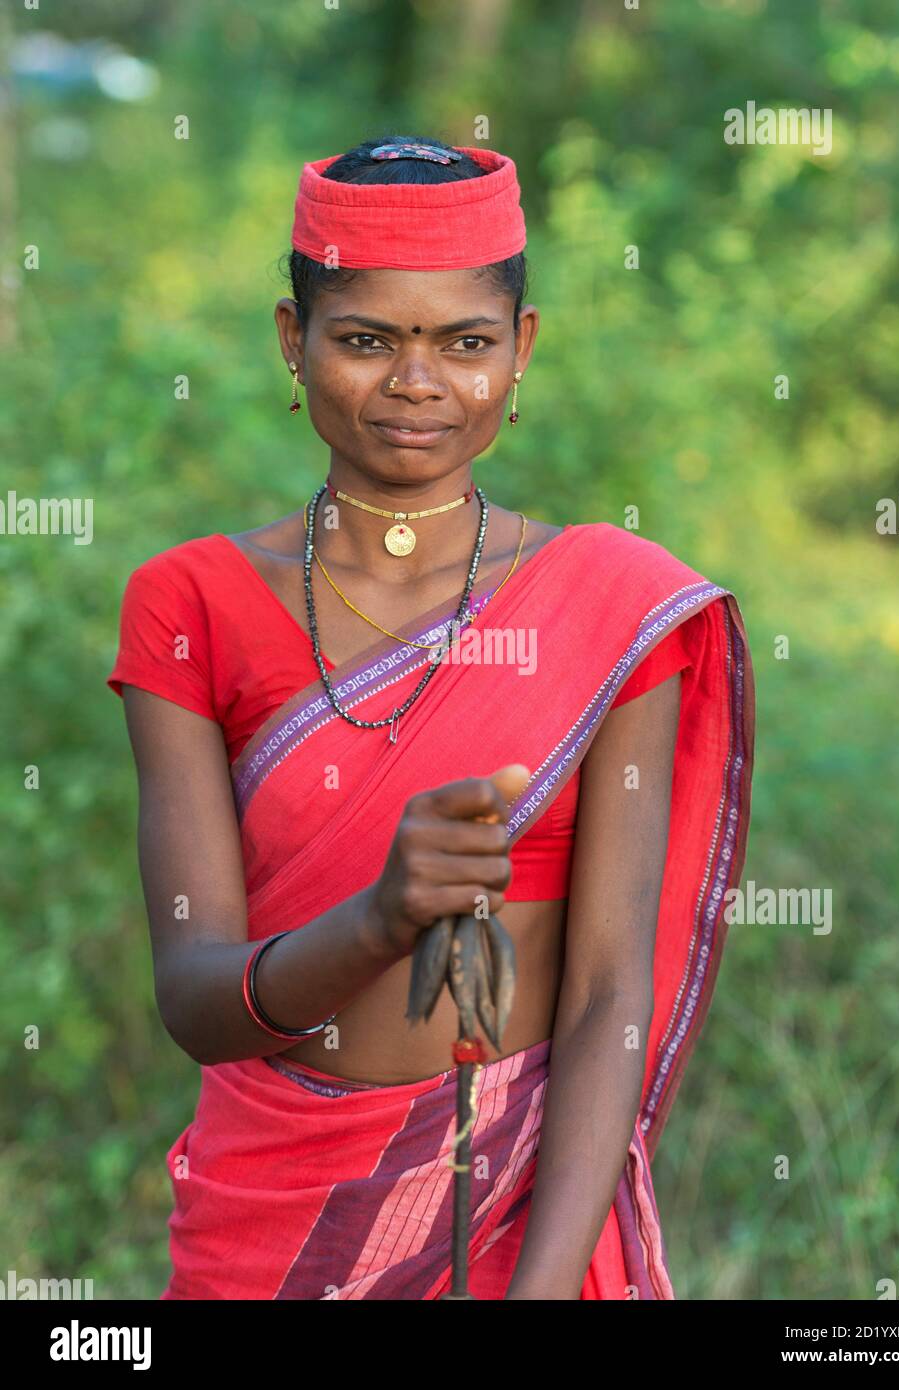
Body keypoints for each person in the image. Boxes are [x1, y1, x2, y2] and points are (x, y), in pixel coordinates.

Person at [106, 134, 755, 1300]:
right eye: (365, 340)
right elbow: (199, 999)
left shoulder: (612, 603)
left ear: (523, 350)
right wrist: (385, 915)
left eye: (467, 343)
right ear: (291, 342)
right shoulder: (189, 601)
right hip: (267, 1227)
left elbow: (611, 993)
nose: (419, 385)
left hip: (517, 1232)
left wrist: (542, 1290)